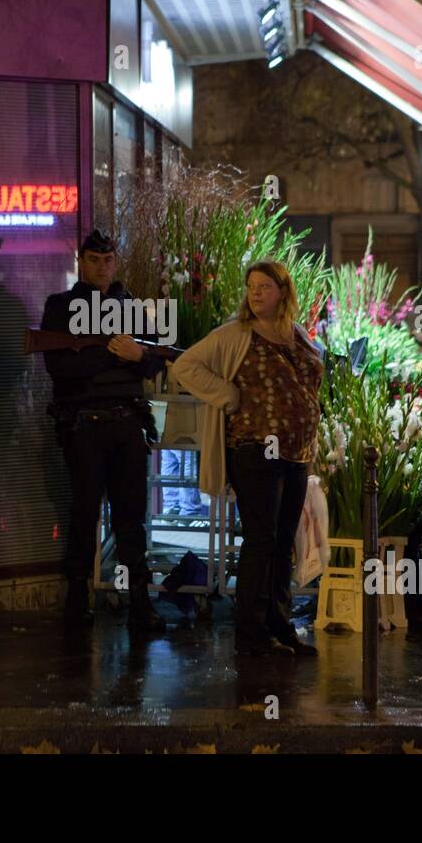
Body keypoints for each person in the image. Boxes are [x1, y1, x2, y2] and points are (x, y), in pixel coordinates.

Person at [171, 260, 322, 657]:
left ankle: (279, 621)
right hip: (256, 449)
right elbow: (186, 365)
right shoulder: (235, 334)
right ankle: (252, 629)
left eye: (264, 287)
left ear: (283, 292)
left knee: (282, 540)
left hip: (296, 453)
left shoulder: (297, 334)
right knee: (261, 537)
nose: (255, 294)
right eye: (251, 287)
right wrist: (228, 395)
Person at [40, 229, 166, 632]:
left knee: (131, 518)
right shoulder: (61, 307)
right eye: (94, 260)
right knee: (83, 514)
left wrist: (137, 354)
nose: (102, 267)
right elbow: (60, 369)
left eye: (108, 260)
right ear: (82, 261)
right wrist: (112, 355)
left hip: (126, 423)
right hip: (84, 425)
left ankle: (141, 605)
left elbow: (155, 364)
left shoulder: (129, 306)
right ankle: (76, 601)